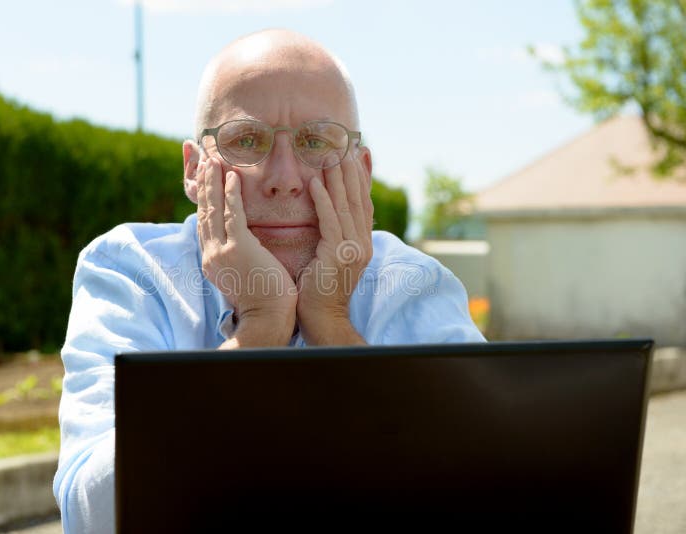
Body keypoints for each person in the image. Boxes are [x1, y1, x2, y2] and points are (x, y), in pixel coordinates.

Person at [53, 28, 485, 533]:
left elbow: (482, 493)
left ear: (361, 171)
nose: (284, 176)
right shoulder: (131, 271)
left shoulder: (414, 284)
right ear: (195, 170)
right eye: (247, 141)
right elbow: (92, 516)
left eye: (315, 142)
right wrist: (258, 330)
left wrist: (330, 324)